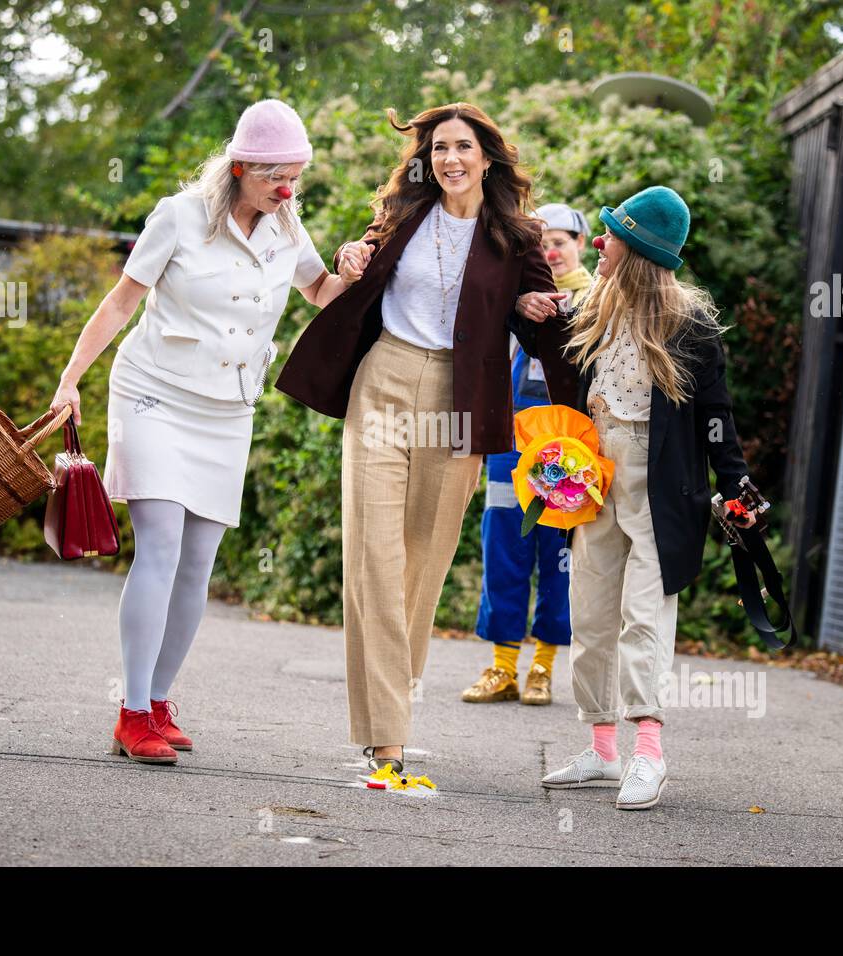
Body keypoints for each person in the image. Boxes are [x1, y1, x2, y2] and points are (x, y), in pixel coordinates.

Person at [48, 100, 357, 766]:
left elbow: (321, 293)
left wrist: (353, 268)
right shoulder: (180, 215)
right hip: (154, 392)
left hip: (227, 409)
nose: (288, 189)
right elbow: (123, 301)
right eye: (277, 175)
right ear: (241, 167)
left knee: (197, 565)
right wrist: (71, 378)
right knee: (159, 546)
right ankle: (131, 713)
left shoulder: (287, 227)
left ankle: (159, 700)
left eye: (296, 176)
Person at [274, 102, 573, 782]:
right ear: (426, 157)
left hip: (461, 401)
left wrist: (531, 309)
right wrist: (352, 257)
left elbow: (540, 312)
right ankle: (389, 738)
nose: (450, 159)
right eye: (439, 147)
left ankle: (391, 703)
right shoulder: (404, 214)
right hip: (383, 381)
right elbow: (362, 264)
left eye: (463, 146)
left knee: (424, 562)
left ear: (487, 158)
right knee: (374, 556)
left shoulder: (518, 237)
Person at [514, 186, 758, 809]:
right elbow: (534, 333)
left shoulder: (691, 326)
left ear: (639, 251)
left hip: (662, 484)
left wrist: (736, 488)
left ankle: (648, 752)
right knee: (590, 612)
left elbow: (716, 419)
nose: (599, 243)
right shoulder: (589, 309)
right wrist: (521, 302)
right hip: (594, 476)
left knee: (645, 617)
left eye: (611, 235)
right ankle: (601, 749)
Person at [462, 202, 593, 706]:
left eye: (560, 240)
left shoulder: (598, 301)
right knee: (503, 552)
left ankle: (542, 668)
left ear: (581, 244)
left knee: (559, 559)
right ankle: (501, 668)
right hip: (510, 449)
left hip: (571, 451)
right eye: (541, 242)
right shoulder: (514, 297)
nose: (551, 250)